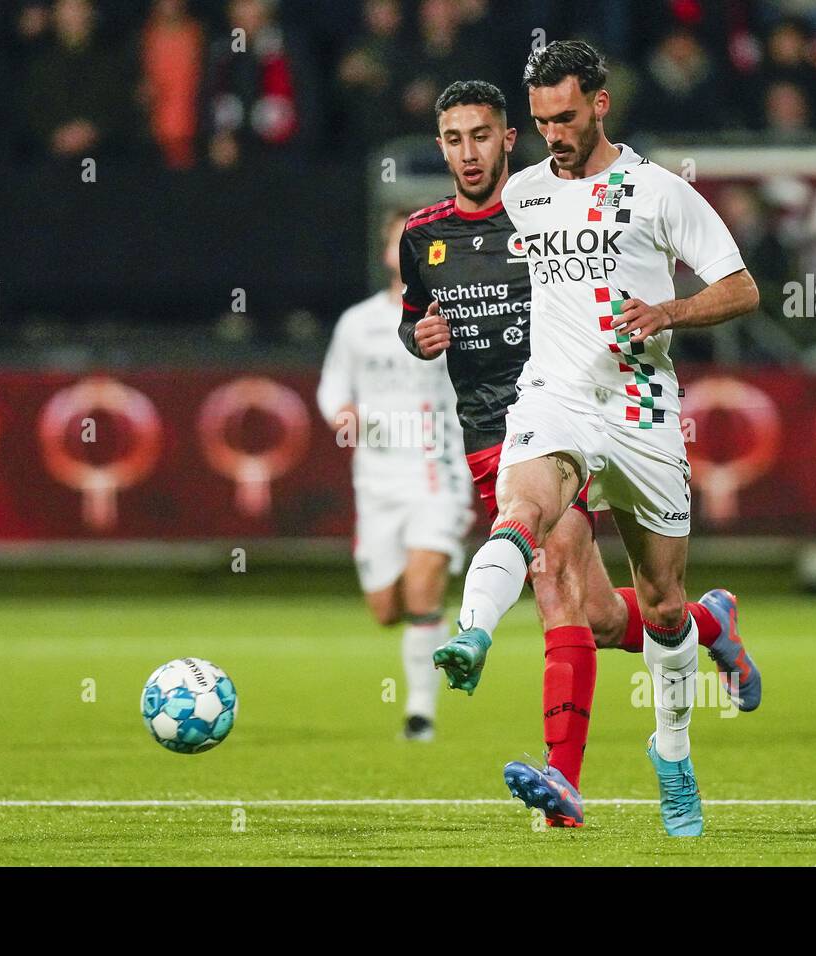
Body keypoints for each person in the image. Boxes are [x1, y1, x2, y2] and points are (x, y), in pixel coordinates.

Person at [400, 78, 760, 829]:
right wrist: (419, 337)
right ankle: (568, 741)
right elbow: (415, 315)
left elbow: (733, 283)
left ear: (509, 139)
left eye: (486, 135)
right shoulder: (431, 232)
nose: (470, 152)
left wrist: (664, 311)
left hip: (625, 411)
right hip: (520, 418)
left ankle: (623, 748)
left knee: (603, 599)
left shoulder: (583, 196)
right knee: (574, 596)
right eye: (454, 138)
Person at [317, 210, 474, 743]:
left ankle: (420, 715)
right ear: (387, 253)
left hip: (437, 470)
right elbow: (333, 386)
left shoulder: (452, 314)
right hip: (377, 482)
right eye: (396, 243)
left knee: (423, 583)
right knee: (388, 608)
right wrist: (342, 413)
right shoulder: (358, 323)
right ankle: (433, 628)